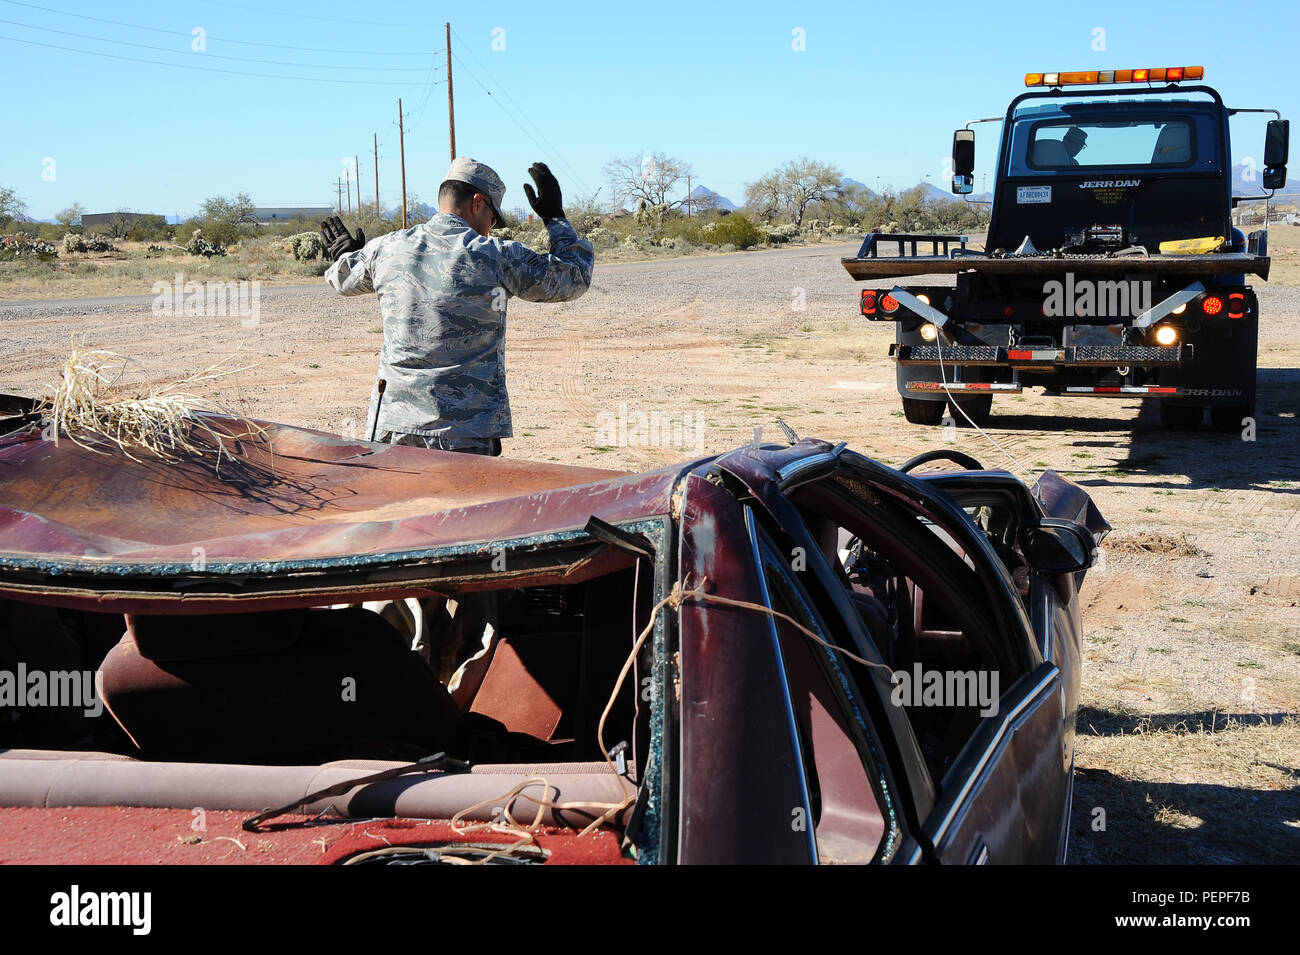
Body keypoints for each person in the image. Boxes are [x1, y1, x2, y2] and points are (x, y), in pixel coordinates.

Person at [320, 158, 593, 456]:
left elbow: (340, 279)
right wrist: (556, 218)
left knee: (400, 503)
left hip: (391, 427)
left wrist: (349, 253)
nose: (491, 227)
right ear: (478, 203)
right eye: (493, 217)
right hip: (464, 432)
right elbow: (572, 278)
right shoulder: (494, 255)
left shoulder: (386, 248)